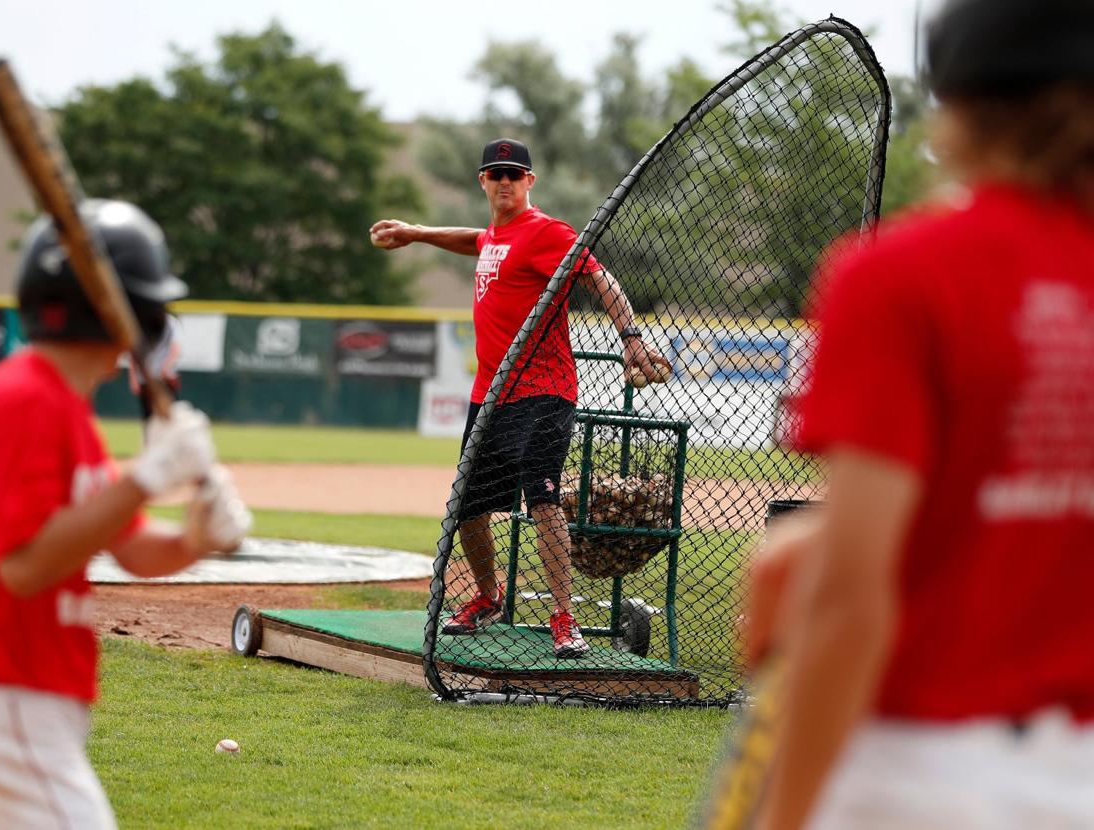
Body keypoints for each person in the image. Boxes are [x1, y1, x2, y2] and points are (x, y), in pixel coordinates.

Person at [743, 0, 1094, 826]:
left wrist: (785, 813)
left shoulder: (904, 273)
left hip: (922, 771)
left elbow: (853, 595)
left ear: (959, 101)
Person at [0, 200, 253, 829]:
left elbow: (129, 548)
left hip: (11, 704)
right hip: (5, 697)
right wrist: (146, 477)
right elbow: (22, 567)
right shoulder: (27, 398)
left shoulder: (63, 410)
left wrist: (194, 539)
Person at [371, 138, 669, 658]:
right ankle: (488, 596)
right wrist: (417, 233)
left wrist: (632, 338)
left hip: (544, 392)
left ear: (530, 181)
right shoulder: (495, 233)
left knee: (544, 500)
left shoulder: (549, 232)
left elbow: (600, 279)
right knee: (468, 507)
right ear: (482, 181)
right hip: (489, 396)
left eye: (514, 173)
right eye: (495, 173)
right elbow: (479, 240)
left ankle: (563, 616)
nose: (504, 181)